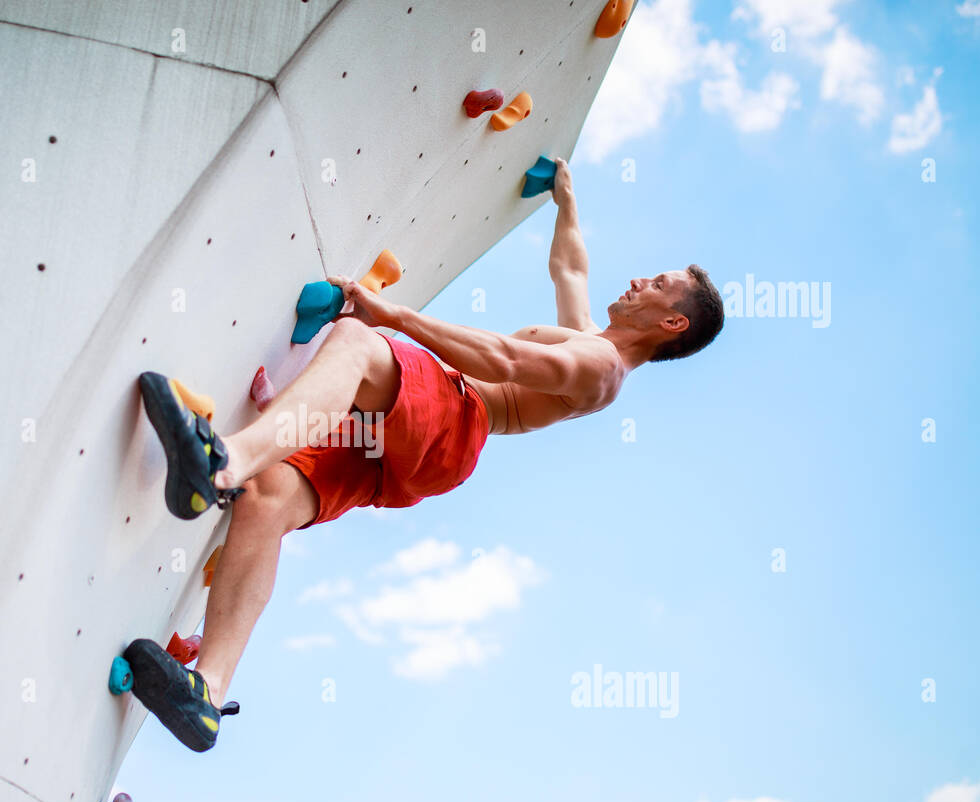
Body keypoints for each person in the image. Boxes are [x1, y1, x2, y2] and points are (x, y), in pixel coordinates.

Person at [127, 158, 724, 752]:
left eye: (659, 284)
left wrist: (397, 317)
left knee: (360, 344)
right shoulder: (592, 342)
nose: (640, 280)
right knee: (270, 498)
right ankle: (205, 692)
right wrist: (566, 202)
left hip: (459, 419)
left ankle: (221, 462)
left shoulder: (601, 368)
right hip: (428, 452)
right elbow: (571, 268)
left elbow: (506, 361)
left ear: (673, 321)